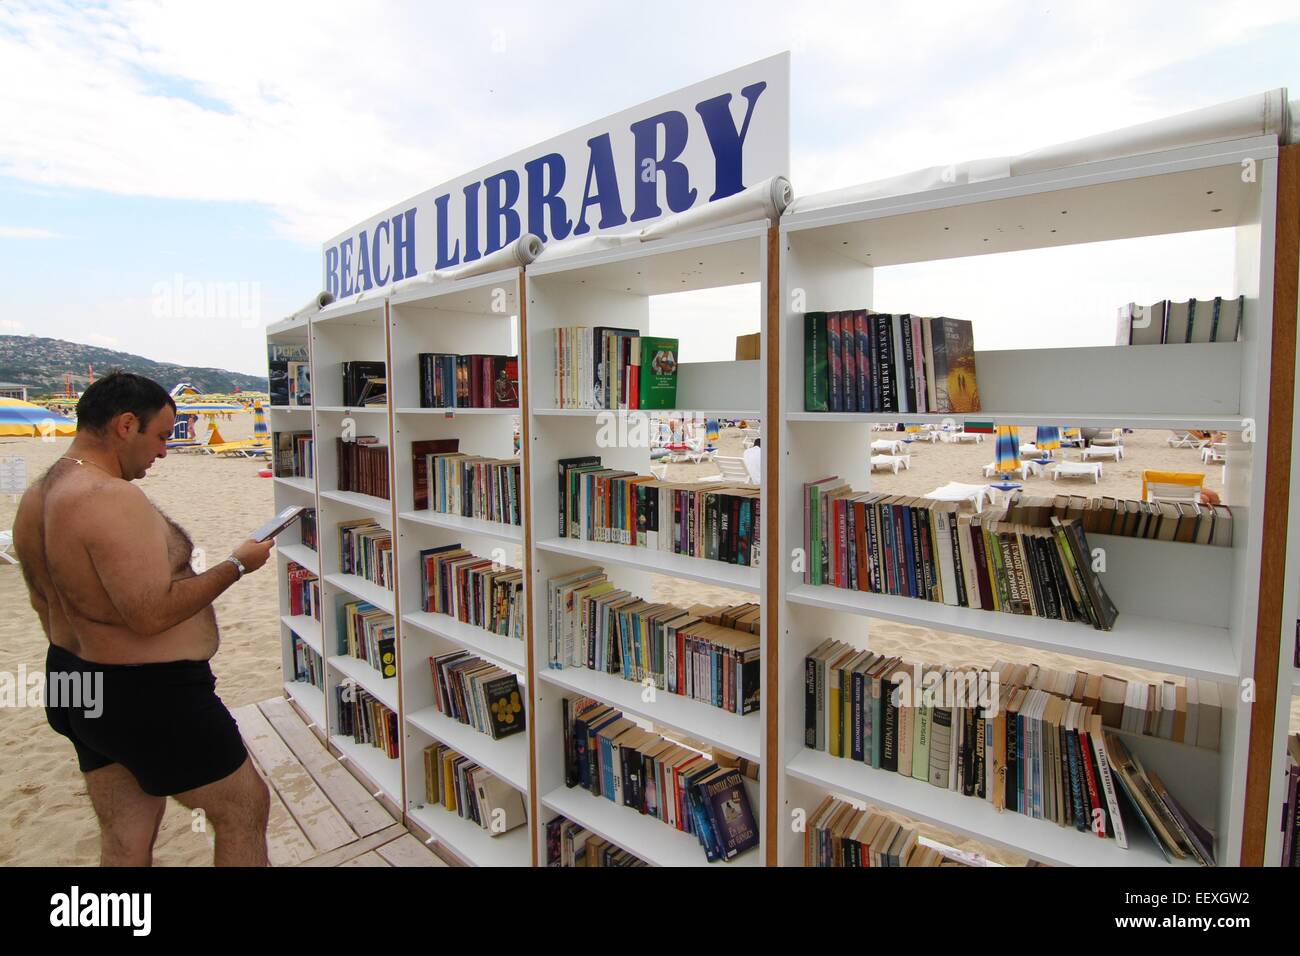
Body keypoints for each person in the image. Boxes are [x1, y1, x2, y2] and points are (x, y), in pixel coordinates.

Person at [13, 371, 275, 866]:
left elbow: (42, 602)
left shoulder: (38, 496)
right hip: (147, 696)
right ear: (125, 425)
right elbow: (150, 614)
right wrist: (238, 564)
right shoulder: (109, 497)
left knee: (124, 837)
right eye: (160, 436)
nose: (162, 452)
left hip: (75, 682)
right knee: (243, 809)